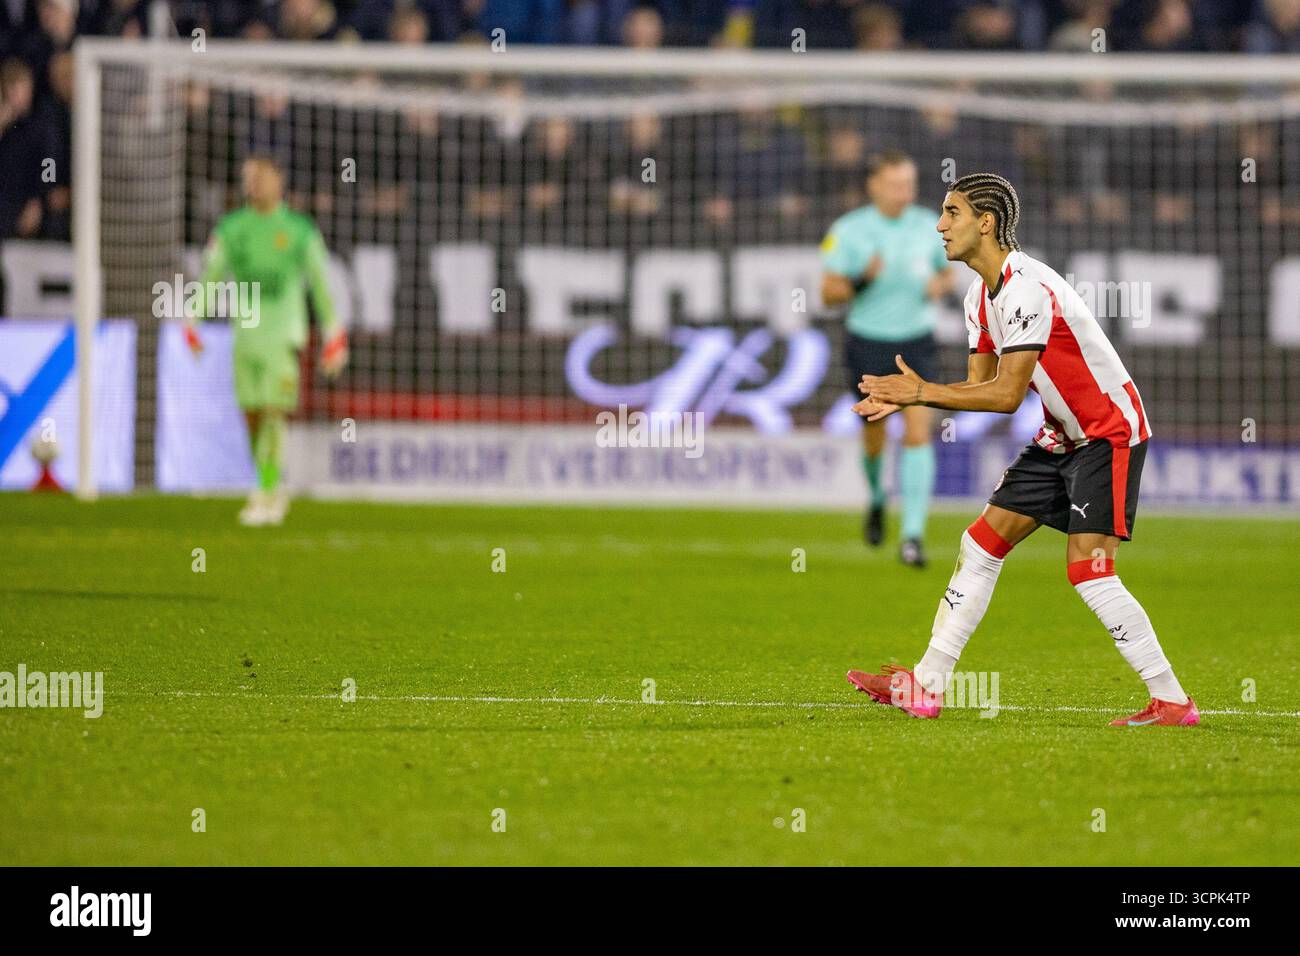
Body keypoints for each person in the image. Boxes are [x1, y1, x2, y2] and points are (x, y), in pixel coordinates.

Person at [846, 172, 1197, 728]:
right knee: (981, 544)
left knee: (1090, 570)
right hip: (1060, 437)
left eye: (951, 213)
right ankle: (927, 685)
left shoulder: (1028, 288)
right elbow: (978, 387)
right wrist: (913, 398)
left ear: (985, 223)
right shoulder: (977, 297)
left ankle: (1172, 701)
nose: (939, 225)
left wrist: (920, 393)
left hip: (1107, 432)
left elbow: (1008, 396)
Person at [184, 155, 347, 526]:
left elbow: (320, 286)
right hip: (246, 334)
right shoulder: (231, 228)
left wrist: (334, 333)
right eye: (248, 178)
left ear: (279, 180)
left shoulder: (299, 230)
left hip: (283, 335)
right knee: (253, 414)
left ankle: (266, 489)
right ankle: (269, 482)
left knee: (274, 409)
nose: (253, 184)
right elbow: (210, 277)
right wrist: (192, 318)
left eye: (260, 177)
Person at [820, 149, 954, 566]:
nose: (904, 193)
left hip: (916, 343)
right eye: (896, 185)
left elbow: (948, 269)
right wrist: (863, 278)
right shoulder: (848, 230)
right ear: (874, 186)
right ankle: (877, 497)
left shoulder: (929, 225)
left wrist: (941, 282)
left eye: (909, 184)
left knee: (918, 433)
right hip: (867, 343)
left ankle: (912, 536)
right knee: (875, 438)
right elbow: (828, 294)